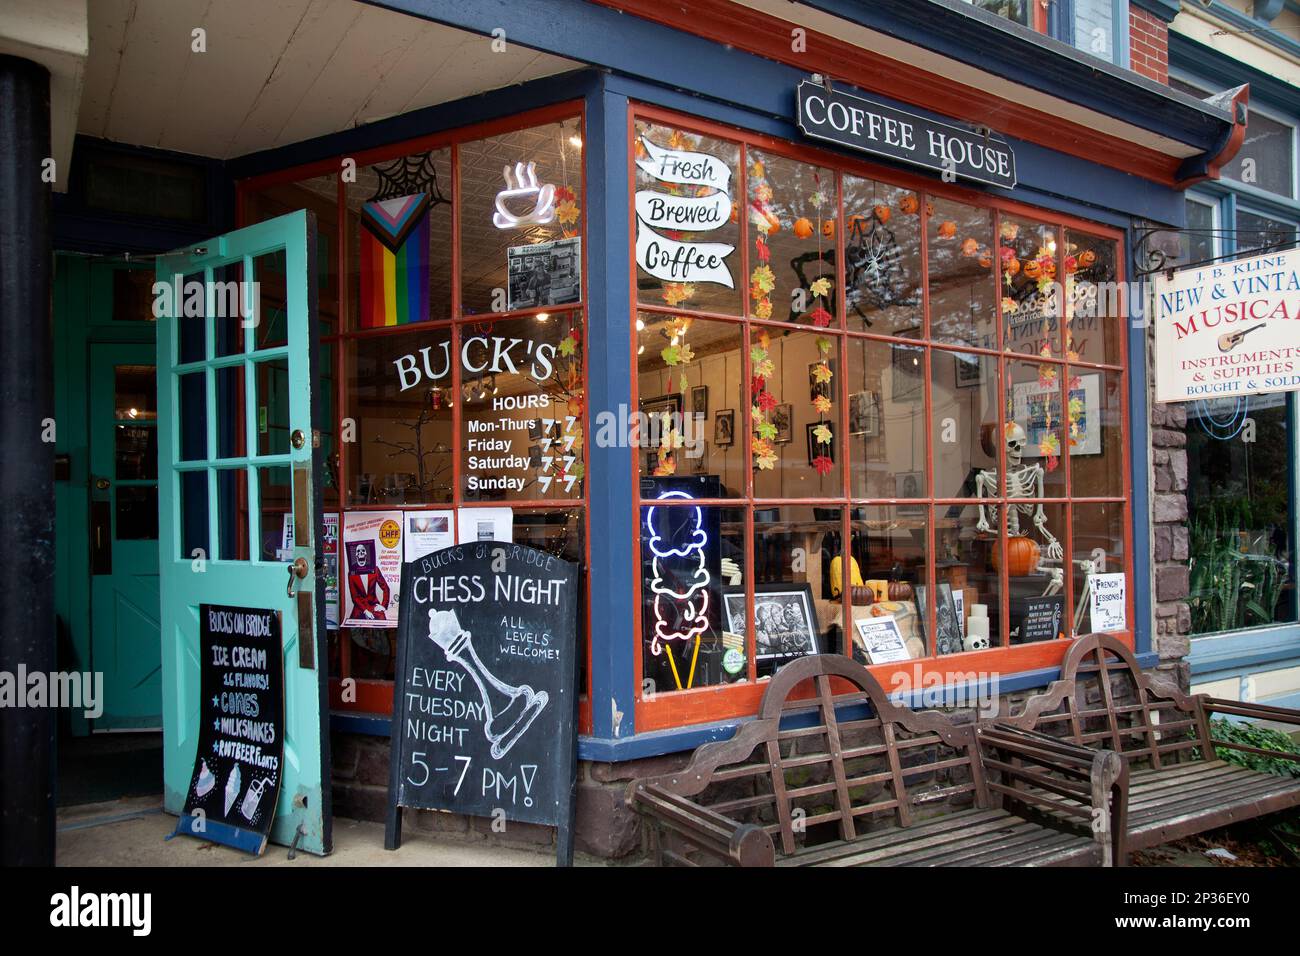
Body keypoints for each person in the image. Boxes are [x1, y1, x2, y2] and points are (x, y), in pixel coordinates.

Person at [347, 541, 390, 621]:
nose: (361, 553)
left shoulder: (375, 570)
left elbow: (386, 588)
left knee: (383, 623)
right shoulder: (351, 573)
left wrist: (383, 605)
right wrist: (365, 610)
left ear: (366, 554)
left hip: (373, 605)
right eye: (358, 551)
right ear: (356, 555)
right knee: (352, 627)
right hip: (360, 607)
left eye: (363, 551)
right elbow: (354, 597)